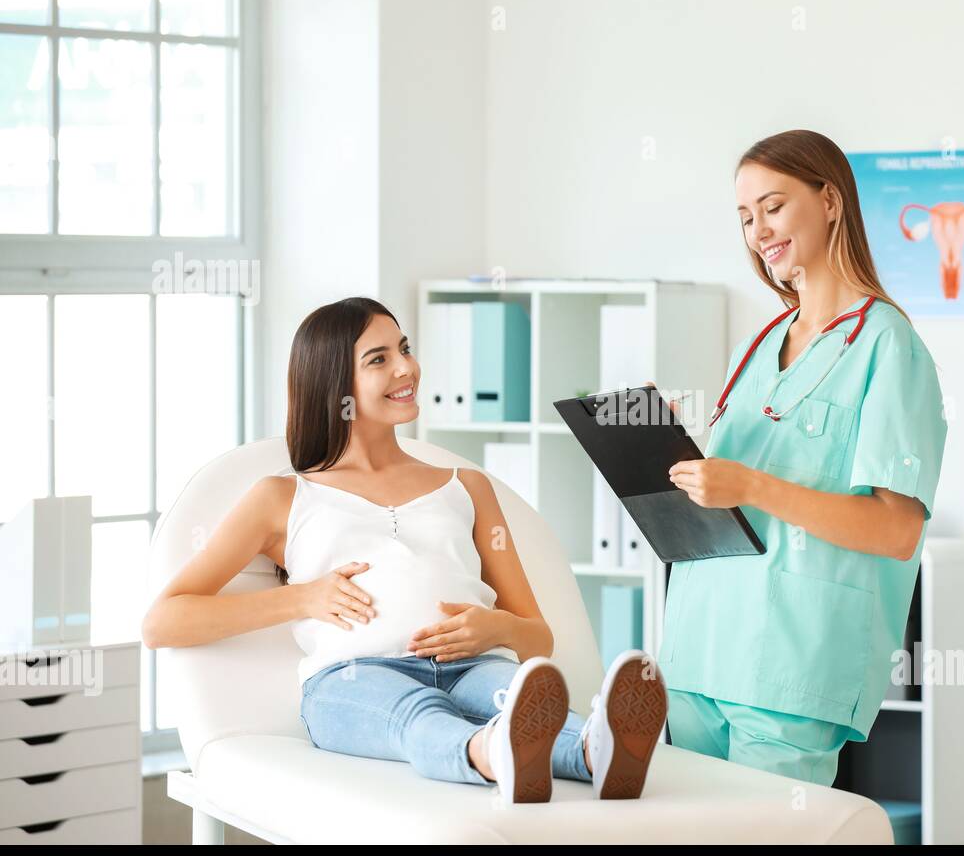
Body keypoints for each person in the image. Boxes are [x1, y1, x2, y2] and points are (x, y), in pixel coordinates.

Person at [143, 297, 667, 804]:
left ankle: (596, 753)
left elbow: (538, 636)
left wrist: (497, 629)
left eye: (405, 348)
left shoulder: (467, 487)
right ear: (334, 385)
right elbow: (163, 622)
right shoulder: (282, 497)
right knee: (415, 715)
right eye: (379, 359)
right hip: (353, 679)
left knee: (513, 692)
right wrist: (302, 599)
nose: (407, 368)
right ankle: (487, 751)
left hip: (473, 665)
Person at [655, 129, 948, 787]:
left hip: (790, 664)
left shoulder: (888, 347)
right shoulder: (757, 344)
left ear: (830, 201)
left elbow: (897, 530)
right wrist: (671, 462)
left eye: (774, 206)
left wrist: (752, 485)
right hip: (698, 650)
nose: (759, 230)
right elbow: (728, 498)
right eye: (745, 217)